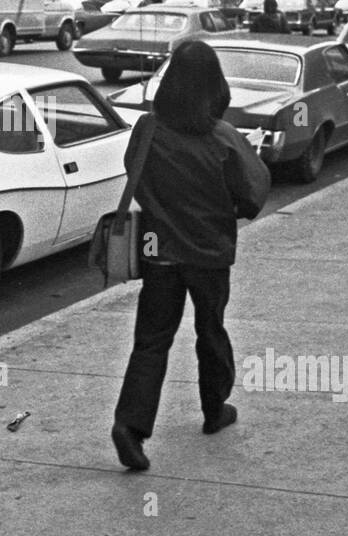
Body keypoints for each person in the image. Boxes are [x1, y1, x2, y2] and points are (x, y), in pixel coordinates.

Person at [111, 40, 271, 472]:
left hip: (159, 252)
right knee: (210, 329)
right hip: (209, 254)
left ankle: (130, 426)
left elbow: (134, 172)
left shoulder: (146, 129)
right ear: (213, 86)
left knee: (151, 341)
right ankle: (214, 409)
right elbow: (254, 194)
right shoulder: (224, 138)